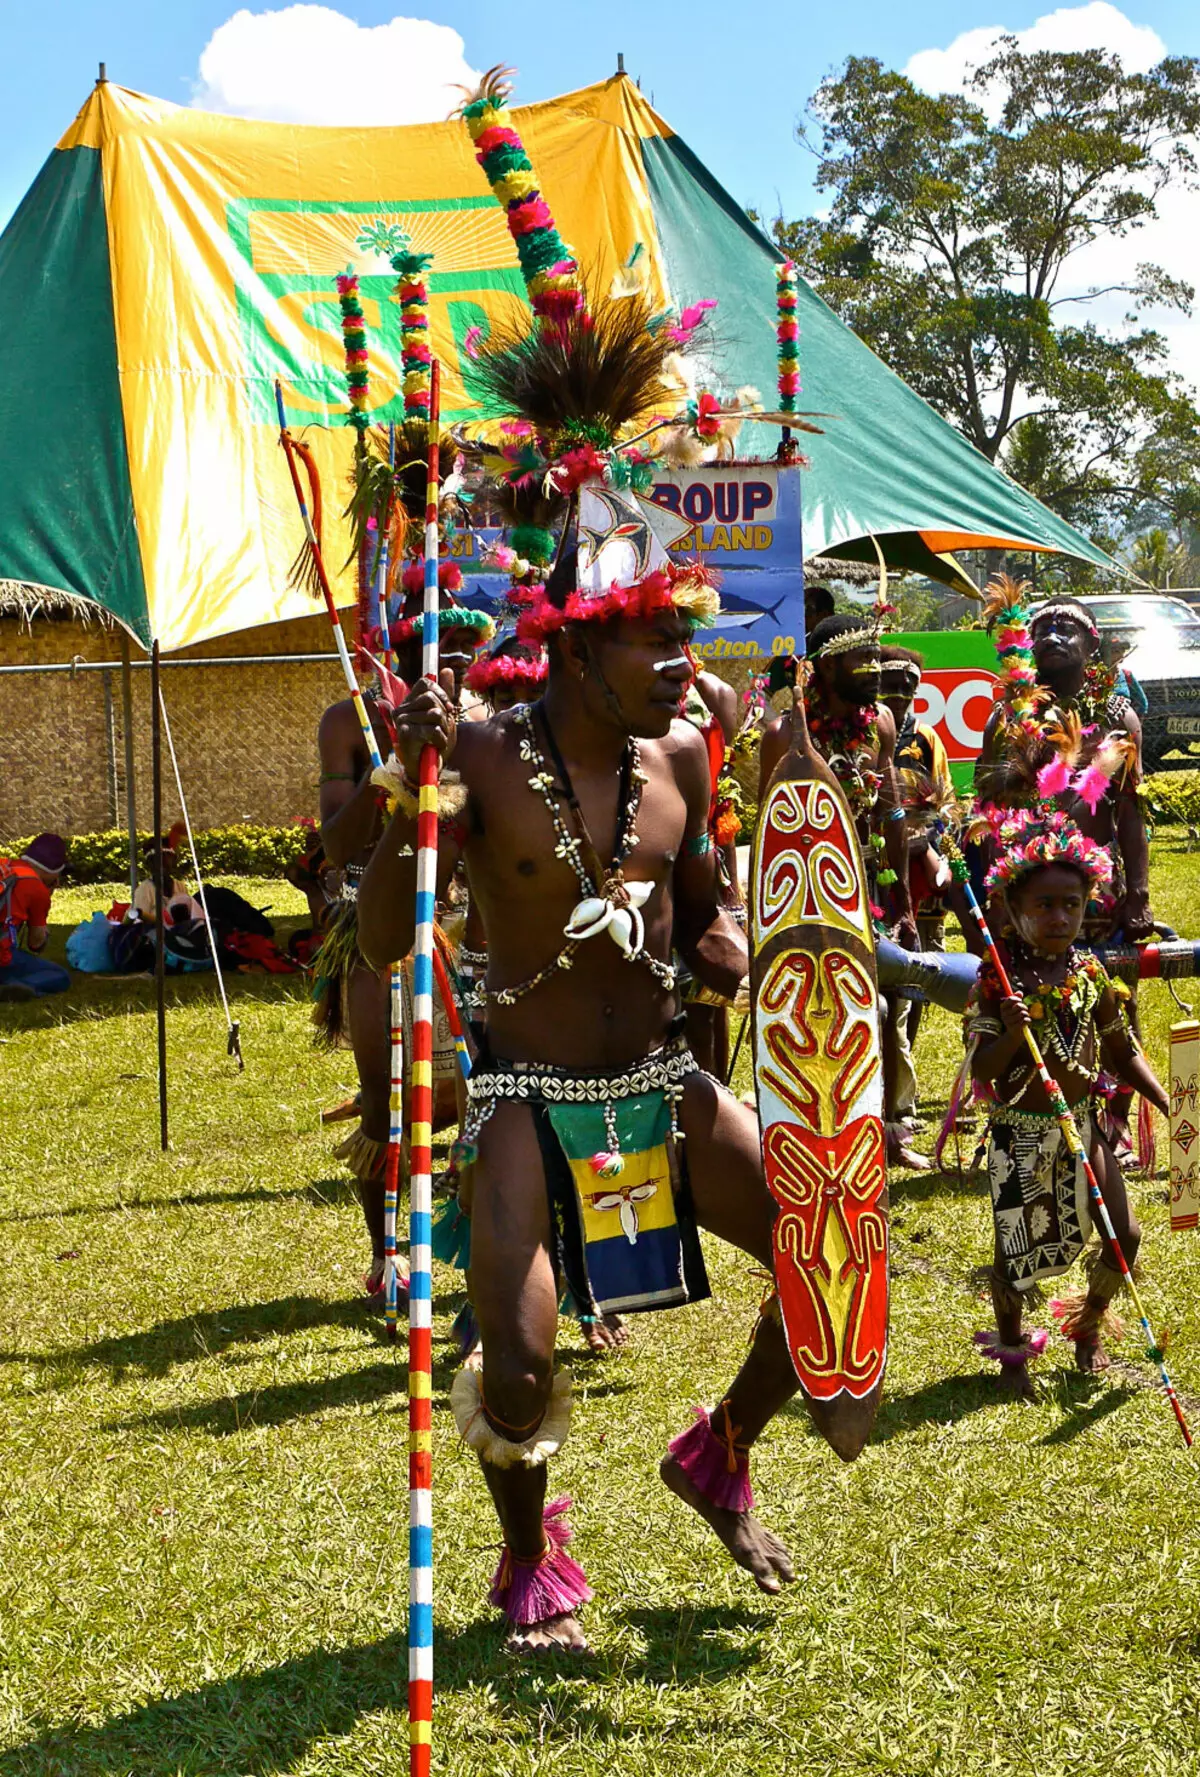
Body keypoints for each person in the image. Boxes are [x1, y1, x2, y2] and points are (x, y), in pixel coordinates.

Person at [314, 587, 492, 1295]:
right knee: (385, 1100)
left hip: (468, 931)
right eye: (435, 650)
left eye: (463, 653)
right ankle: (386, 1253)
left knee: (491, 1093)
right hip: (378, 926)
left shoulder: (487, 723)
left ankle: (492, 1255)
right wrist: (393, 770)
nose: (451, 666)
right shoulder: (351, 721)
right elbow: (335, 844)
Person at [967, 812, 1167, 1396]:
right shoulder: (999, 977)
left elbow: (1120, 1052)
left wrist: (1167, 1101)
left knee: (1122, 1233)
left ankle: (1088, 1329)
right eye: (1045, 905)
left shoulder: (1090, 970)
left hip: (1083, 1124)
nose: (1060, 917)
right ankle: (1012, 1355)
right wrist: (1009, 1028)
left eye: (1072, 905)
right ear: (1012, 909)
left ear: (1088, 907)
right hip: (1021, 1132)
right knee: (1017, 1253)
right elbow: (983, 1070)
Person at [977, 587, 1153, 1159]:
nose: (1052, 633)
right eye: (1042, 625)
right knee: (1026, 996)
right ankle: (1031, 1110)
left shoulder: (1117, 717)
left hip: (1098, 888)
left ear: (1092, 645)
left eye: (1067, 627)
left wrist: (1139, 895)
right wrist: (999, 893)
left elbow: (1130, 809)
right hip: (1026, 883)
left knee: (1113, 998)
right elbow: (987, 802)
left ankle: (1116, 1120)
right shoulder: (1009, 714)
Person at [0, 834, 70, 1001]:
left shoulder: (5, 866)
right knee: (60, 976)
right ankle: (17, 986)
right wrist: (47, 896)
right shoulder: (37, 888)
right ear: (56, 870)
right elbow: (35, 944)